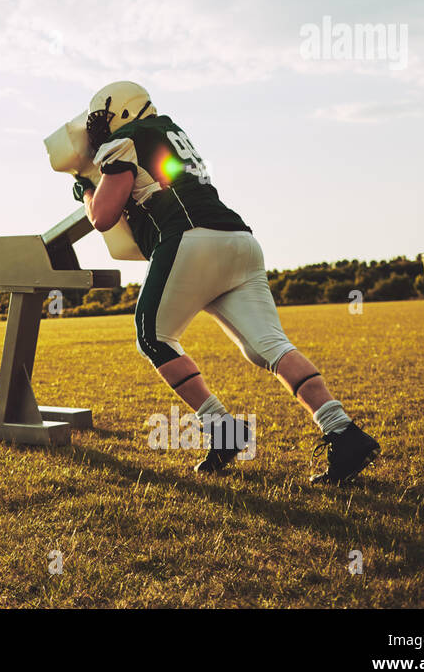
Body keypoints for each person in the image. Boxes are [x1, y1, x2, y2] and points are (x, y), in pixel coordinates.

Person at [73, 81, 379, 484]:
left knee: (153, 336)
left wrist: (86, 189)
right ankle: (342, 430)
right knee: (267, 347)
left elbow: (103, 217)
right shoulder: (169, 131)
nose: (100, 130)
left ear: (121, 113)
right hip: (240, 241)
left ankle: (222, 428)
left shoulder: (126, 140)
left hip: (190, 238)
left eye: (103, 120)